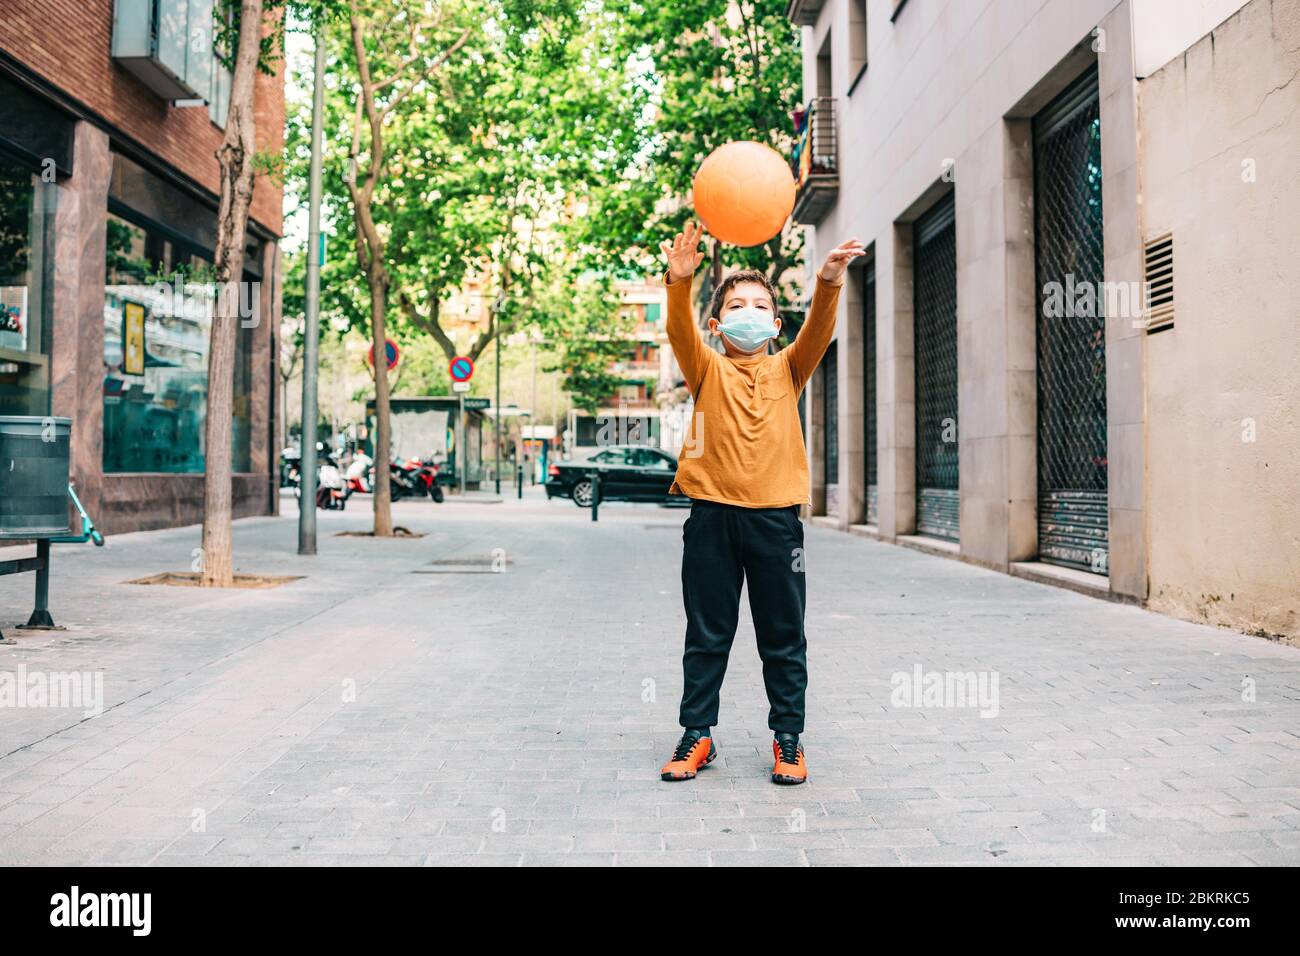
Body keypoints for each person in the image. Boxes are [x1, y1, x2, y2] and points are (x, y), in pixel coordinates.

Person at [656, 221, 865, 785]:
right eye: (736, 305)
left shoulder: (789, 367)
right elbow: (678, 331)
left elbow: (819, 331)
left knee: (783, 635)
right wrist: (679, 282)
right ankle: (696, 734)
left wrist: (827, 283)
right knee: (706, 633)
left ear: (775, 324)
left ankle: (788, 740)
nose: (748, 312)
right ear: (718, 324)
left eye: (760, 305)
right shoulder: (706, 368)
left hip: (776, 523)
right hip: (710, 520)